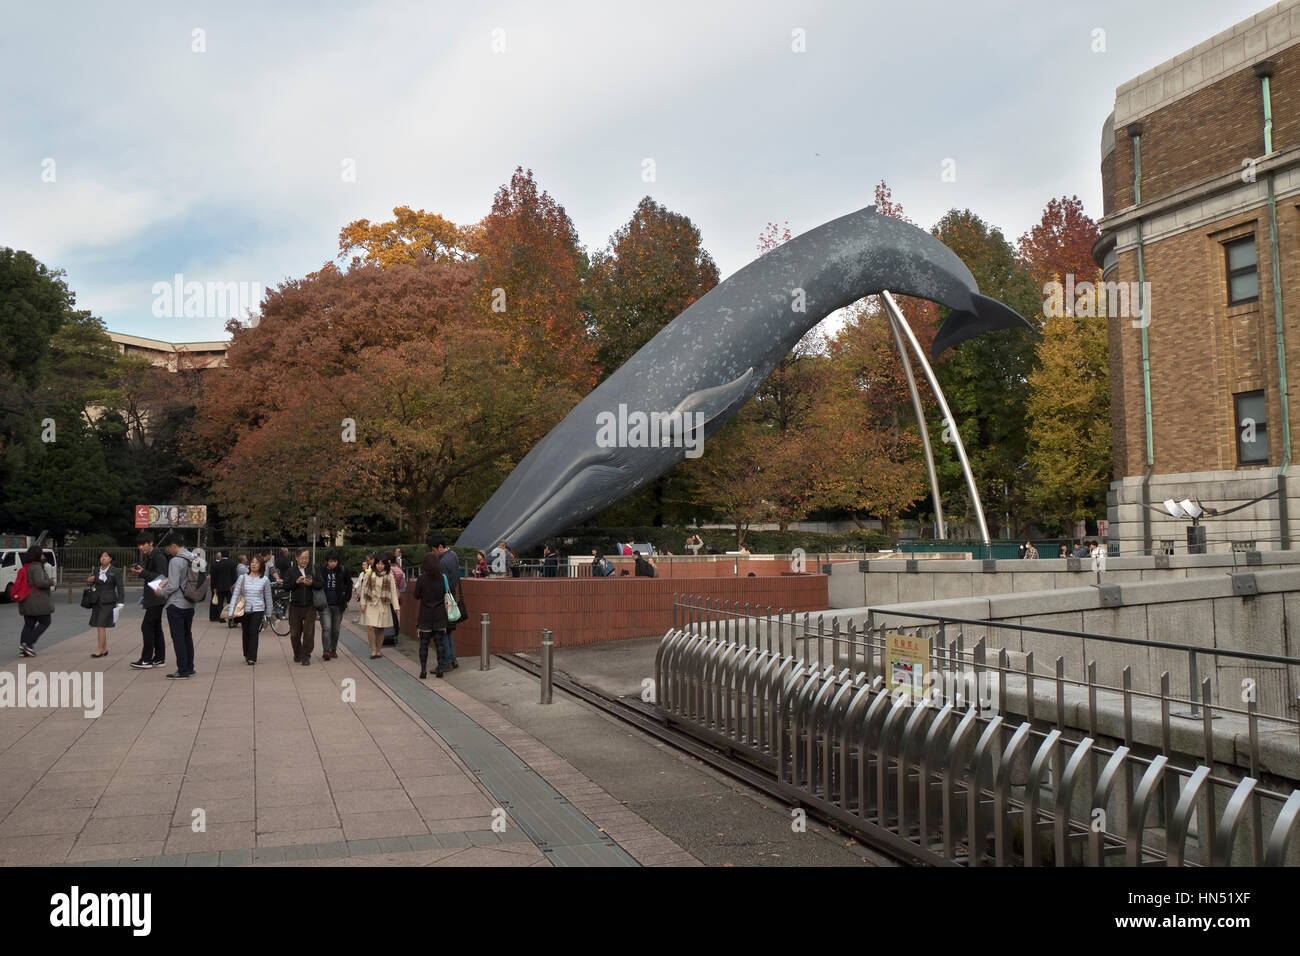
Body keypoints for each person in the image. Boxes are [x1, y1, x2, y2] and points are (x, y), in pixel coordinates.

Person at [155, 537, 199, 679]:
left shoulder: (175, 561)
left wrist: (160, 592)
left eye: (169, 548)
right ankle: (189, 667)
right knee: (187, 635)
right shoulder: (194, 557)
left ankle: (182, 670)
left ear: (174, 546)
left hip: (176, 603)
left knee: (178, 637)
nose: (169, 551)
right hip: (190, 602)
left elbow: (173, 586)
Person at [129, 531, 170, 669]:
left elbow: (162, 577)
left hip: (157, 597)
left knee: (146, 626)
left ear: (151, 543)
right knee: (156, 627)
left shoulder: (158, 556)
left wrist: (142, 572)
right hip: (154, 597)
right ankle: (159, 658)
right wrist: (142, 572)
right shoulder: (151, 556)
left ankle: (146, 659)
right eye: (139, 545)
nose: (140, 547)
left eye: (143, 544)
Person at [411, 552, 450, 679]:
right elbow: (446, 592)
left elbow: (416, 595)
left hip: (425, 615)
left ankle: (423, 670)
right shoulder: (443, 577)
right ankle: (440, 669)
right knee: (440, 643)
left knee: (424, 643)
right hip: (440, 615)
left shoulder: (421, 579)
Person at [229, 555, 273, 664]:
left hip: (258, 609)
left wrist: (269, 613)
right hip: (244, 609)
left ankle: (252, 657)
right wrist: (230, 612)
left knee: (254, 631)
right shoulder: (242, 578)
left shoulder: (265, 580)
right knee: (246, 632)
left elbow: (268, 597)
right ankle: (247, 653)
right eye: (252, 562)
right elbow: (235, 595)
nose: (253, 564)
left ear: (261, 565)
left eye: (257, 563)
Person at [284, 548, 323, 665]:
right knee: (295, 634)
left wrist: (312, 584)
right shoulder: (291, 571)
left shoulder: (314, 569)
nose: (305, 560)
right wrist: (296, 582)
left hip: (310, 606)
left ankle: (306, 656)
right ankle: (297, 653)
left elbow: (321, 584)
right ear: (296, 558)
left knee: (308, 633)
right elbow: (285, 586)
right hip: (295, 607)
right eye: (302, 558)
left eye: (307, 558)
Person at [16, 545, 55, 657]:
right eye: (42, 553)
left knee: (29, 624)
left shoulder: (26, 566)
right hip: (37, 602)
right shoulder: (36, 567)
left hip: (26, 600)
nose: (43, 555)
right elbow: (40, 583)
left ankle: (24, 650)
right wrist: (51, 582)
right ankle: (28, 644)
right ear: (38, 555)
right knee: (45, 622)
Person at [359, 557, 401, 659]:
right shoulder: (369, 574)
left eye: (382, 564)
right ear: (375, 564)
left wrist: (396, 607)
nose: (380, 566)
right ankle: (373, 649)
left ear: (386, 565)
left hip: (383, 604)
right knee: (370, 627)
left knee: (381, 628)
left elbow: (393, 592)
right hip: (371, 603)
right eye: (378, 564)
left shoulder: (389, 576)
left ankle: (378, 650)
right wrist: (362, 603)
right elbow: (363, 588)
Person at [85, 550, 125, 658]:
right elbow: (93, 582)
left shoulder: (115, 571)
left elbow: (120, 587)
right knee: (100, 625)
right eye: (101, 556)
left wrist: (120, 602)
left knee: (101, 624)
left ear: (110, 558)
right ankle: (104, 649)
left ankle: (99, 649)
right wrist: (89, 580)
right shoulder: (97, 570)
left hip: (109, 601)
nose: (103, 558)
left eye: (106, 556)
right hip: (97, 600)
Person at [431, 535, 461, 672]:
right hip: (452, 597)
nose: (434, 553)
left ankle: (446, 661)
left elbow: (442, 583)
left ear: (440, 547)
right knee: (448, 631)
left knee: (442, 631)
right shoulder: (453, 555)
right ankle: (452, 658)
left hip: (444, 600)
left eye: (434, 550)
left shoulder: (442, 562)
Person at [318, 550, 352, 661]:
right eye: (330, 561)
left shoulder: (342, 570)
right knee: (326, 628)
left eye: (335, 561)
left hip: (339, 604)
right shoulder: (321, 571)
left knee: (336, 629)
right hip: (325, 604)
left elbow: (349, 584)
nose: (333, 563)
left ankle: (333, 650)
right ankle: (326, 650)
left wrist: (347, 599)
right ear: (327, 561)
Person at [208, 551, 237, 622]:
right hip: (229, 587)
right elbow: (235, 576)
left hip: (219, 587)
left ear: (221, 555)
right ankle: (231, 617)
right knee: (230, 602)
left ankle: (221, 618)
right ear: (228, 554)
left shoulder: (217, 564)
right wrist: (232, 584)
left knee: (220, 603)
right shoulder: (232, 563)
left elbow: (214, 577)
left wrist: (214, 587)